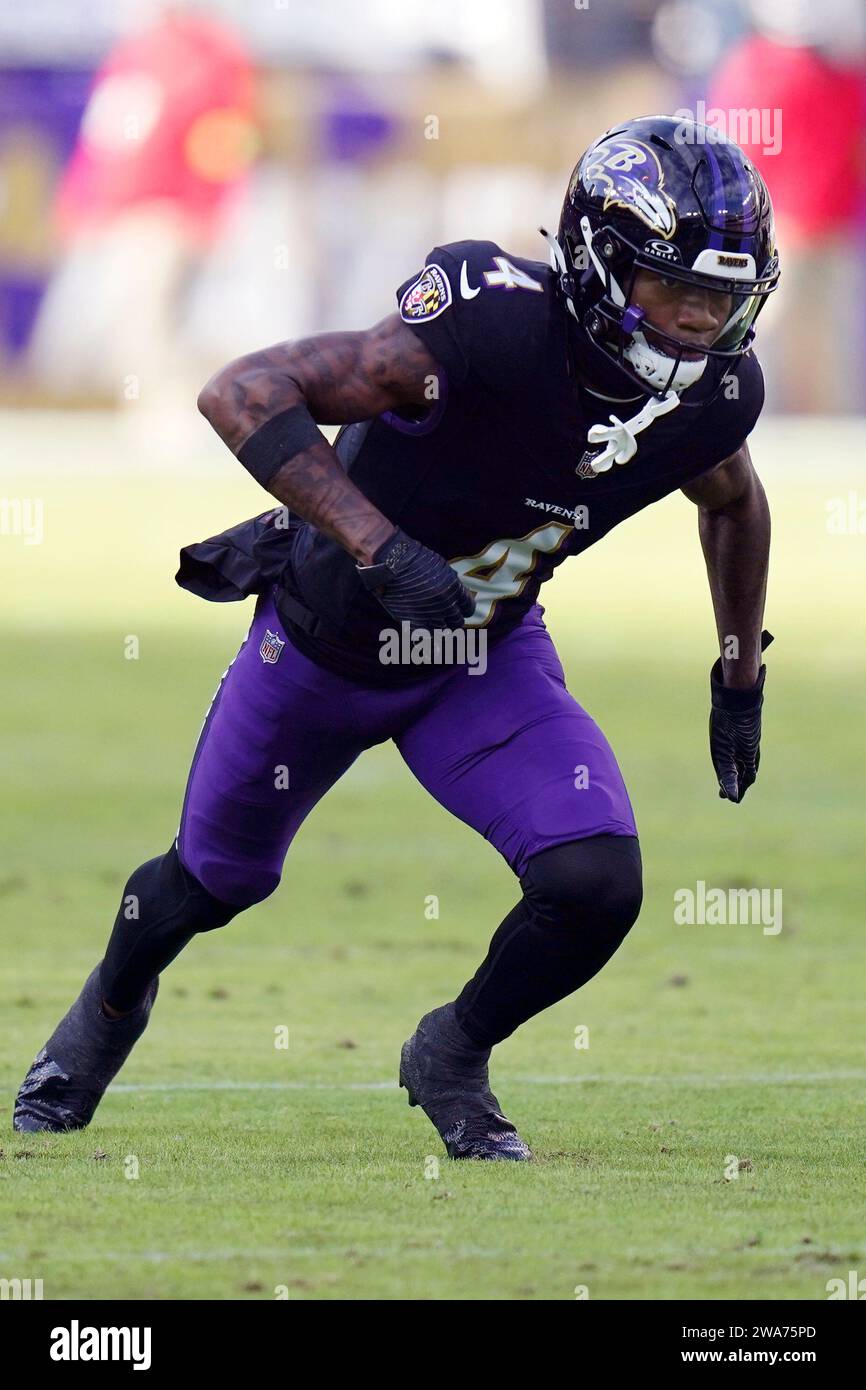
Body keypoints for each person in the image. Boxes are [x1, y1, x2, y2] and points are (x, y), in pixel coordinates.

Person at [14, 115, 779, 1161]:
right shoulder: (490, 327)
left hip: (477, 658)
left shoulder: (712, 397)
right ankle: (104, 1012)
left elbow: (732, 500)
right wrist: (378, 546)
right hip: (323, 650)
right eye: (671, 289)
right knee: (206, 884)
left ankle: (451, 1053)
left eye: (719, 299)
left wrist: (738, 677)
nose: (695, 325)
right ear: (600, 266)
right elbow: (241, 391)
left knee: (593, 882)